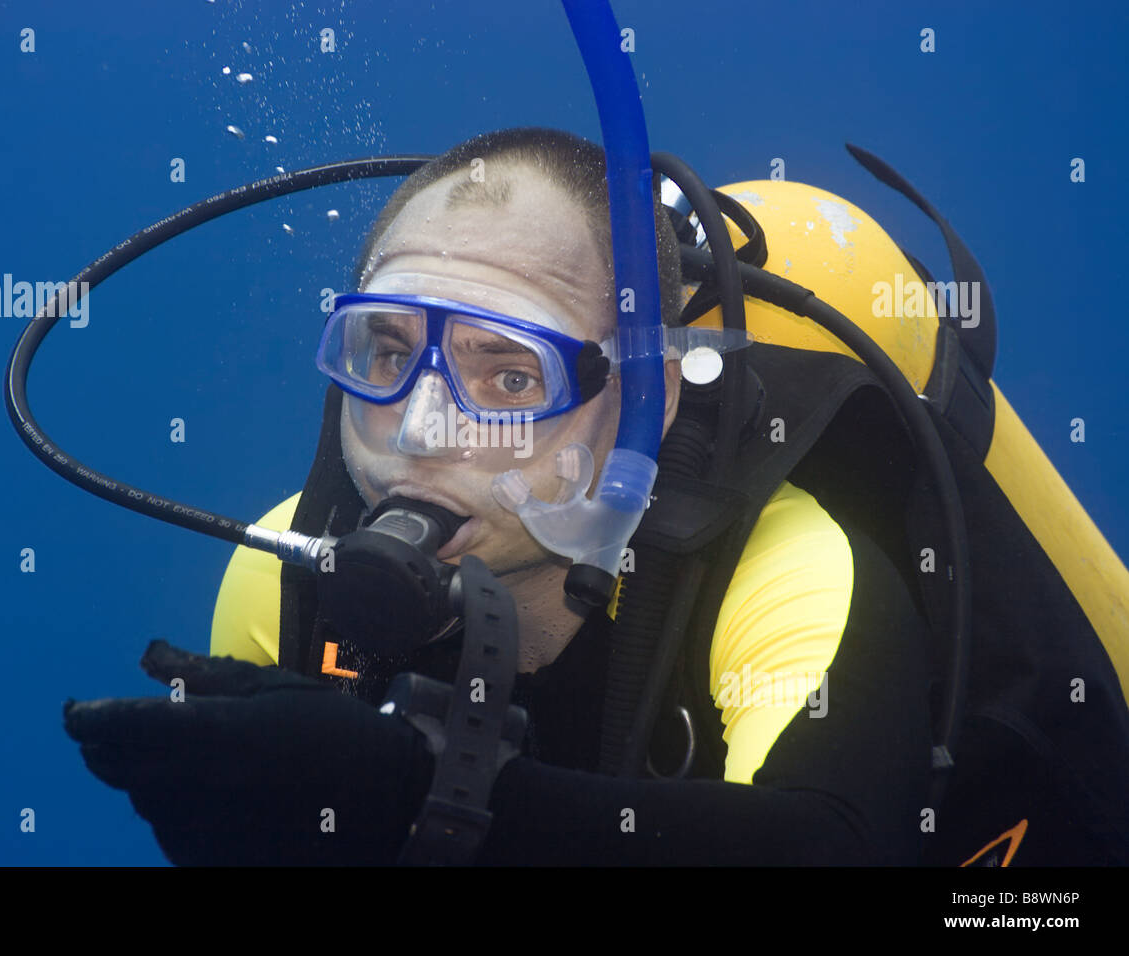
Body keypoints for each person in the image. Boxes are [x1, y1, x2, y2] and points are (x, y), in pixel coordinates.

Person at [64, 126, 1129, 866]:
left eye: (509, 375)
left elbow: (834, 845)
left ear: (647, 403)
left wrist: (421, 805)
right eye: (383, 352)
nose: (422, 429)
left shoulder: (783, 564)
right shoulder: (285, 568)